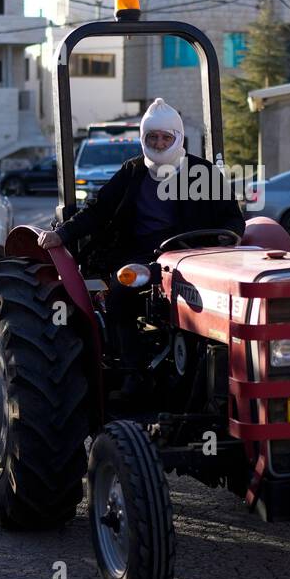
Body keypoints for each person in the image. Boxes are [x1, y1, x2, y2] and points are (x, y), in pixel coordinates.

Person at [36, 99, 244, 394]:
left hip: (194, 255)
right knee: (122, 292)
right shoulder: (132, 172)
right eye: (152, 137)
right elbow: (99, 209)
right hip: (143, 258)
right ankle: (134, 372)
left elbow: (233, 218)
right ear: (144, 139)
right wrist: (63, 234)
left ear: (178, 138)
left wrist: (229, 235)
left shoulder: (204, 172)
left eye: (165, 137)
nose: (159, 143)